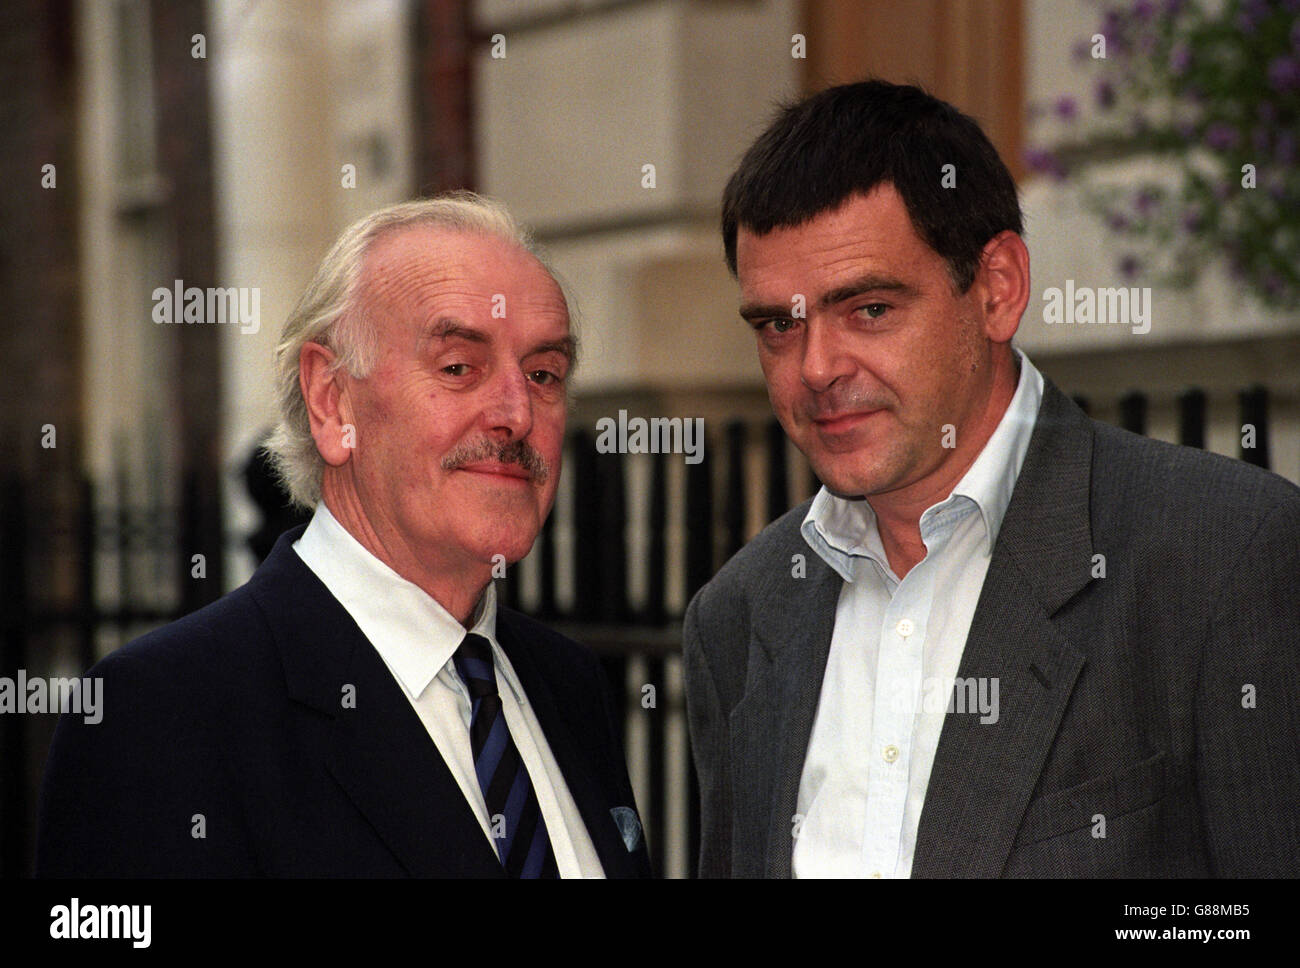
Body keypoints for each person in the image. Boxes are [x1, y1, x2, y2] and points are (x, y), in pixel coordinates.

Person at [683, 80, 1300, 878]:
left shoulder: (1222, 556)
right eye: (777, 325)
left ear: (998, 288)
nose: (817, 368)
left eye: (868, 309)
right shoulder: (738, 617)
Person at [37, 193, 651, 878]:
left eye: (543, 374)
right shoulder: (163, 718)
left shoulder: (564, 683)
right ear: (332, 401)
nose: (515, 411)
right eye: (458, 367)